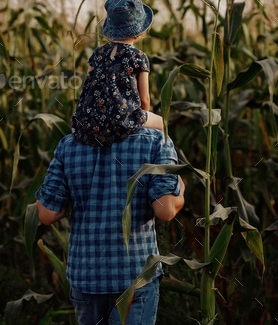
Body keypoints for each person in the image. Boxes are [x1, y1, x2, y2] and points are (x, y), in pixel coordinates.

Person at [35, 127, 185, 325]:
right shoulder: (156, 140)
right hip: (134, 278)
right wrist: (180, 187)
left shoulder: (68, 144)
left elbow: (46, 213)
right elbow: (165, 210)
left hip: (85, 277)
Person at [71, 0, 163, 147]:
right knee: (162, 123)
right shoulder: (138, 56)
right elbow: (145, 99)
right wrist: (141, 118)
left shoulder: (98, 53)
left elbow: (88, 87)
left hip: (89, 122)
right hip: (123, 121)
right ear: (139, 32)